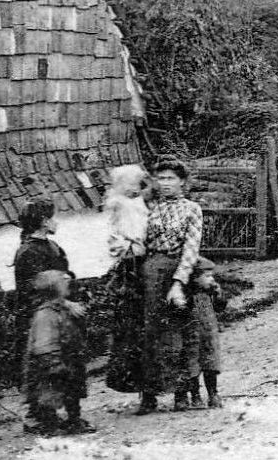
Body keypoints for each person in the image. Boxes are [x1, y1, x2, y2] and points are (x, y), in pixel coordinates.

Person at [136, 159, 204, 414]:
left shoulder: (192, 209)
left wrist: (178, 282)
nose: (165, 183)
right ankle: (149, 394)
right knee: (151, 332)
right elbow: (138, 239)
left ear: (182, 182)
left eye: (170, 179)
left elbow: (191, 249)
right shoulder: (149, 207)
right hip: (152, 272)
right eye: (161, 178)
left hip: (179, 272)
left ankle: (182, 392)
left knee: (180, 332)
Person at [23, 270, 92, 436]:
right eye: (63, 281)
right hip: (52, 365)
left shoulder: (61, 309)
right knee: (49, 395)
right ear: (53, 288)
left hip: (68, 360)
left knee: (73, 390)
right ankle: (48, 424)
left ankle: (74, 420)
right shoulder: (45, 315)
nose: (67, 282)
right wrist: (54, 364)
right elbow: (44, 344)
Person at [103, 165, 150, 394]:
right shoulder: (119, 205)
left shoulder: (140, 203)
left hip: (143, 261)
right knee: (131, 324)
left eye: (138, 183)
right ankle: (130, 379)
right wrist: (134, 247)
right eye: (130, 184)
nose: (135, 188)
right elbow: (119, 242)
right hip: (130, 268)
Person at [12, 198, 71, 366]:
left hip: (57, 315)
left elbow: (64, 272)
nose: (55, 222)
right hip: (38, 321)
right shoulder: (28, 251)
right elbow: (33, 290)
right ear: (44, 221)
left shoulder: (53, 246)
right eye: (53, 218)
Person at [181, 257, 228, 409]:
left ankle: (213, 394)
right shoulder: (187, 295)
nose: (211, 279)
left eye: (211, 275)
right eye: (207, 276)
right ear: (194, 279)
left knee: (211, 365)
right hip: (192, 335)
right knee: (192, 365)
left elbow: (220, 308)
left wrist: (219, 294)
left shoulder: (210, 293)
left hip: (209, 335)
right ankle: (195, 396)